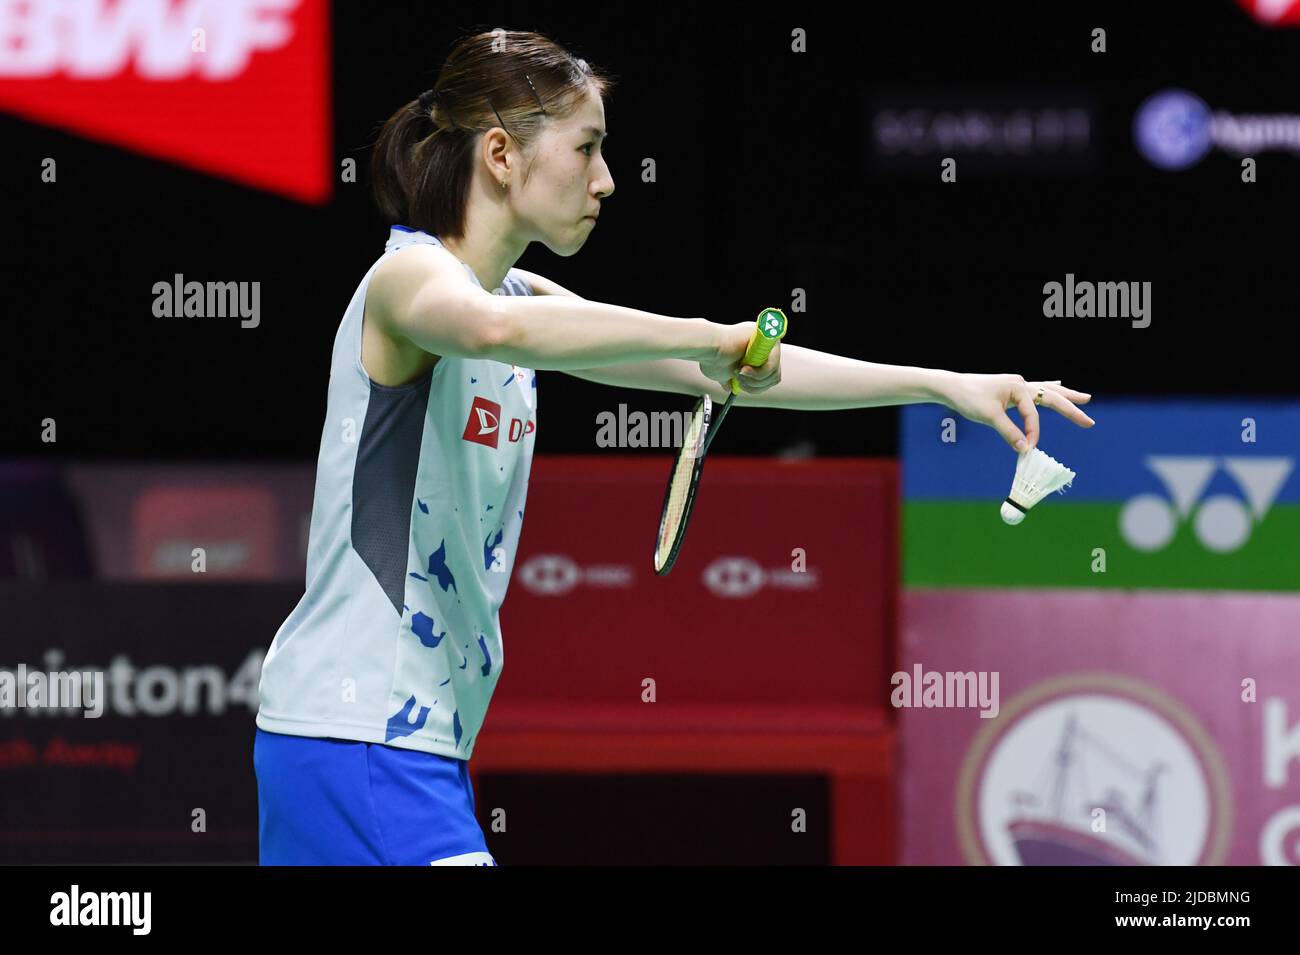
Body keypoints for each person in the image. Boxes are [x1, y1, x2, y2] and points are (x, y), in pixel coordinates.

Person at [252, 28, 1094, 865]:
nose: (606, 180)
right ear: (502, 154)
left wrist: (947, 384)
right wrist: (703, 335)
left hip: (400, 742)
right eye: (586, 149)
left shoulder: (524, 293)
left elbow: (732, 374)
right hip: (359, 734)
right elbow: (496, 328)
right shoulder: (408, 282)